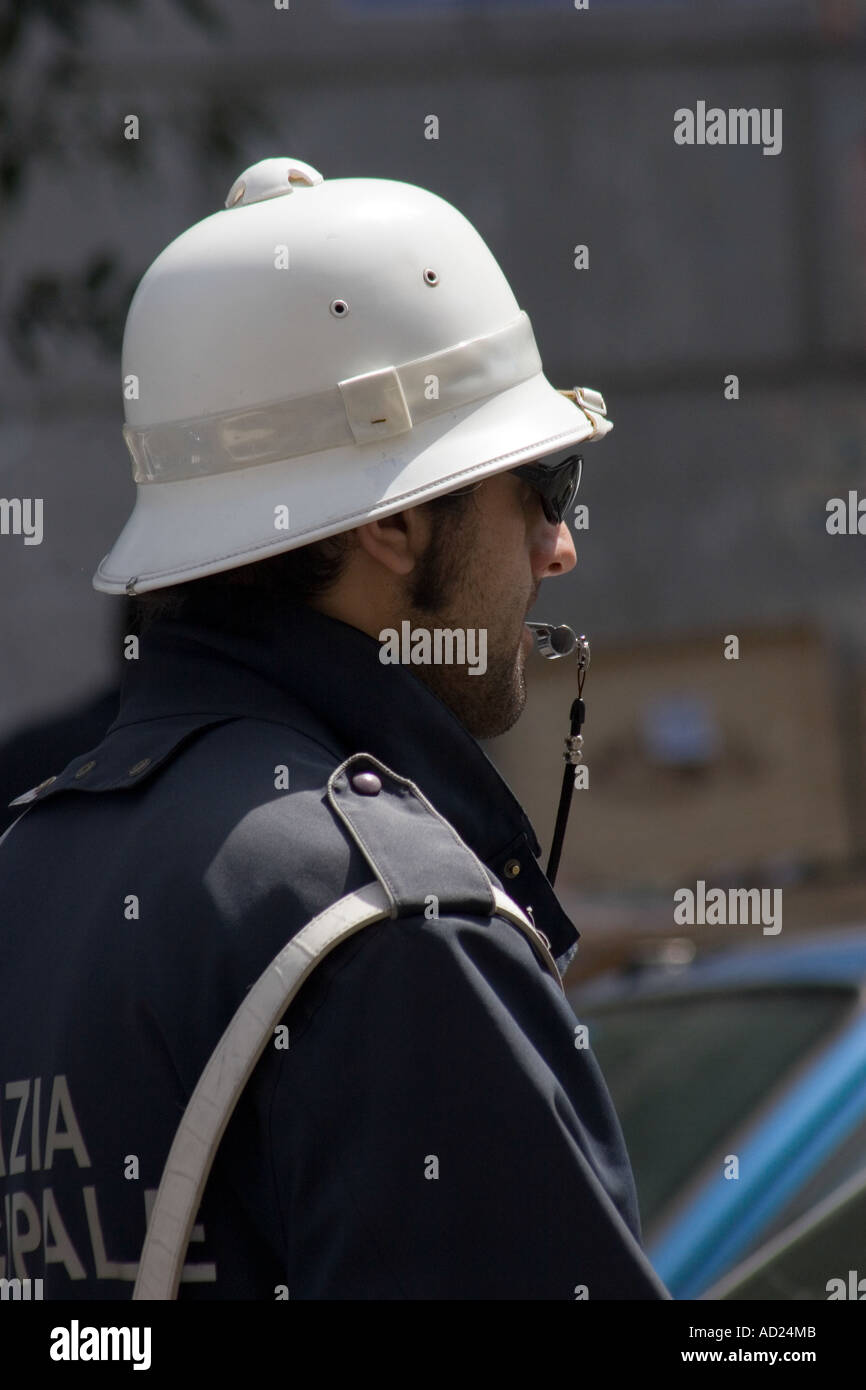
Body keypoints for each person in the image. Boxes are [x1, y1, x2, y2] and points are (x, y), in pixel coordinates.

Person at [0, 157, 670, 1300]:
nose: (558, 548)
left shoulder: (34, 865)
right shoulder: (389, 924)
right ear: (400, 525)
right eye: (542, 483)